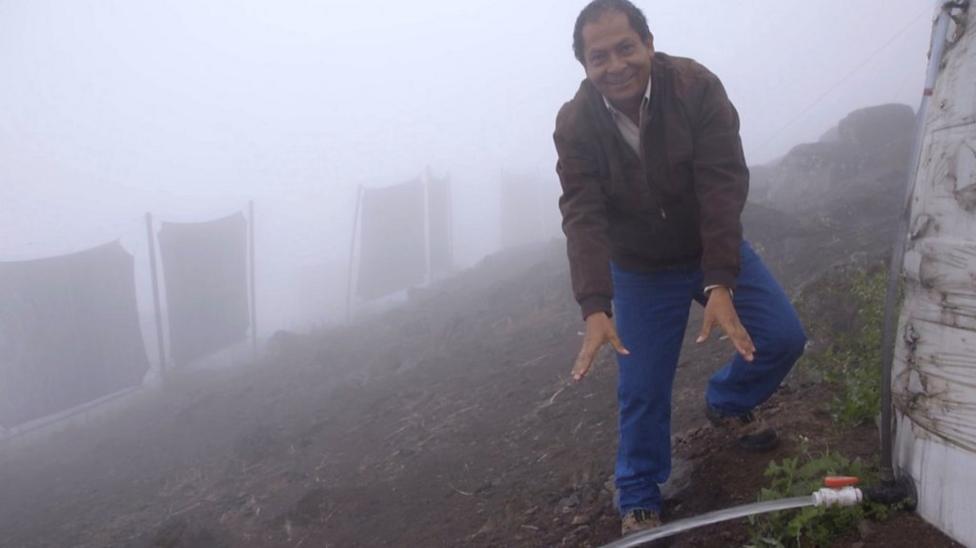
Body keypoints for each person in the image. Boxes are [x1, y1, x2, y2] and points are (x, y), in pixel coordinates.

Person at [553, 0, 807, 536]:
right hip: (641, 268)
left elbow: (721, 185)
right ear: (583, 65)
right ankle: (640, 496)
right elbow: (582, 213)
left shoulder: (695, 87)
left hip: (707, 246)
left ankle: (728, 400)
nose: (616, 65)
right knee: (643, 385)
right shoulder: (576, 123)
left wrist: (719, 279)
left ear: (647, 43)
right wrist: (595, 305)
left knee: (782, 336)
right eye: (599, 57)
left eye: (626, 48)